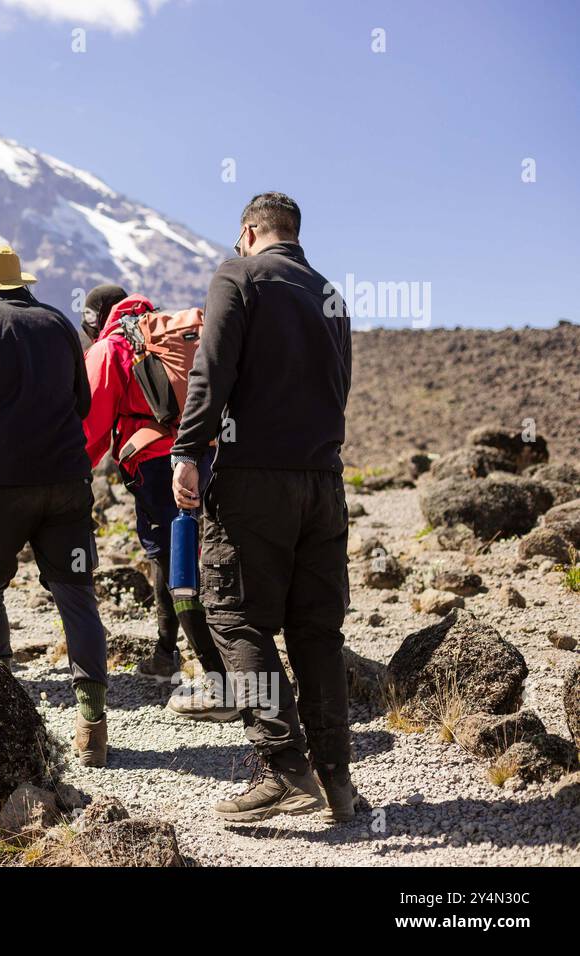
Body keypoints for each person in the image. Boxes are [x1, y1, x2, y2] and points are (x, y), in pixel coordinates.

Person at [171, 192, 354, 822]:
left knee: (235, 617)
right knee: (317, 631)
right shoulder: (331, 292)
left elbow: (211, 370)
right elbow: (342, 385)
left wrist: (187, 450)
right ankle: (338, 783)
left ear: (249, 233)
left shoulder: (239, 276)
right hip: (324, 484)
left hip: (254, 482)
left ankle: (283, 770)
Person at [0, 244, 110, 768]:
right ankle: (93, 726)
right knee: (76, 594)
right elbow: (83, 402)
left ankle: (3, 710)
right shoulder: (58, 322)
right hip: (68, 479)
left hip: (2, 481)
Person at [81, 287, 237, 722]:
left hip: (157, 468)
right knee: (205, 556)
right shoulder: (177, 335)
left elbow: (92, 424)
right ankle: (170, 654)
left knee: (176, 563)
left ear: (94, 319)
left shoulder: (113, 347)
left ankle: (217, 678)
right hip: (212, 454)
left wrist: (76, 472)